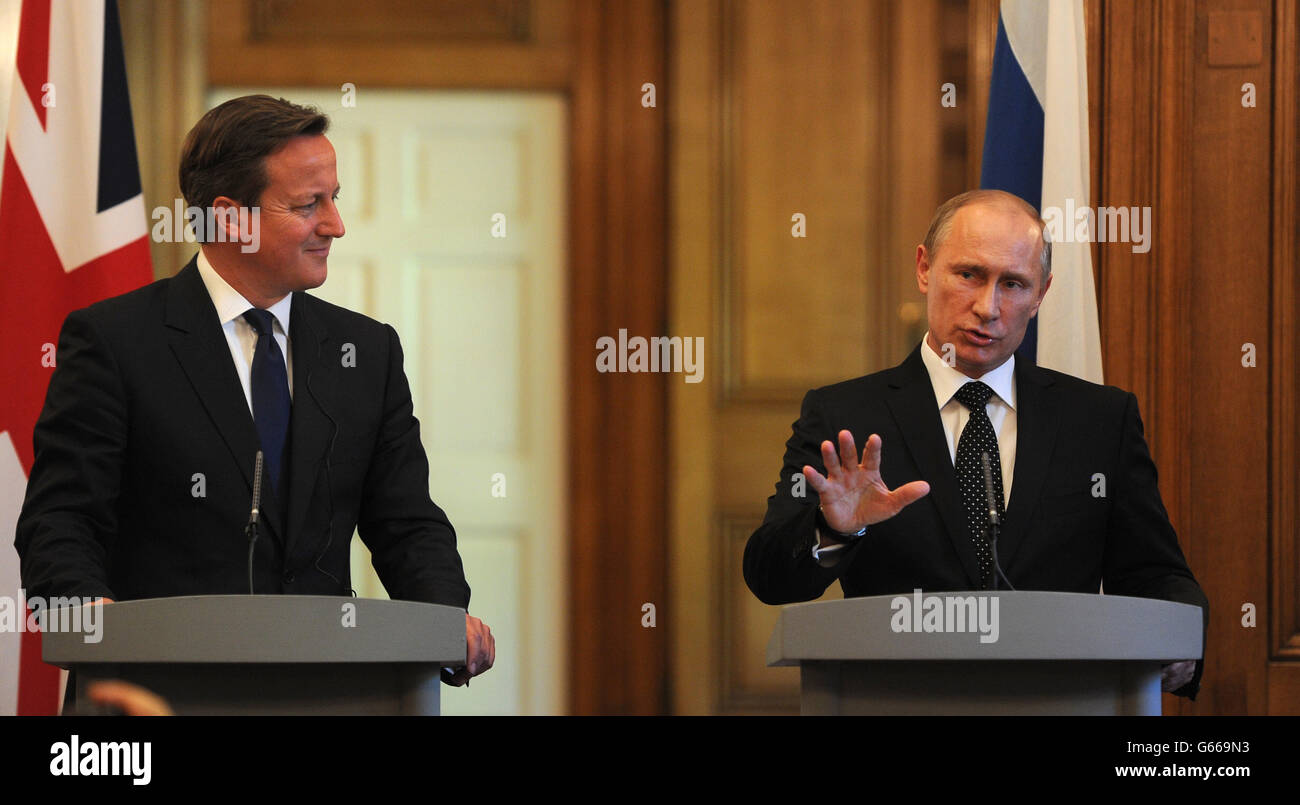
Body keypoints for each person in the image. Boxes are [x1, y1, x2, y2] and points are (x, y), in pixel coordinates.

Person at [15, 95, 493, 687]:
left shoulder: (366, 351)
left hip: (328, 693)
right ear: (229, 216)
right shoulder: (116, 341)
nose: (335, 225)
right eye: (307, 204)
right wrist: (86, 614)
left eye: (334, 198)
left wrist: (444, 621)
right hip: (156, 691)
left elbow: (406, 521)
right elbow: (61, 518)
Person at [743, 189, 1208, 698]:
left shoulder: (1098, 420)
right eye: (968, 275)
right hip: (898, 703)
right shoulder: (845, 417)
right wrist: (833, 530)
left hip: (1058, 703)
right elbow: (770, 576)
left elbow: (1155, 572)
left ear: (1042, 293)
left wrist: (1183, 637)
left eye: (1013, 284)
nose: (988, 308)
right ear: (924, 268)